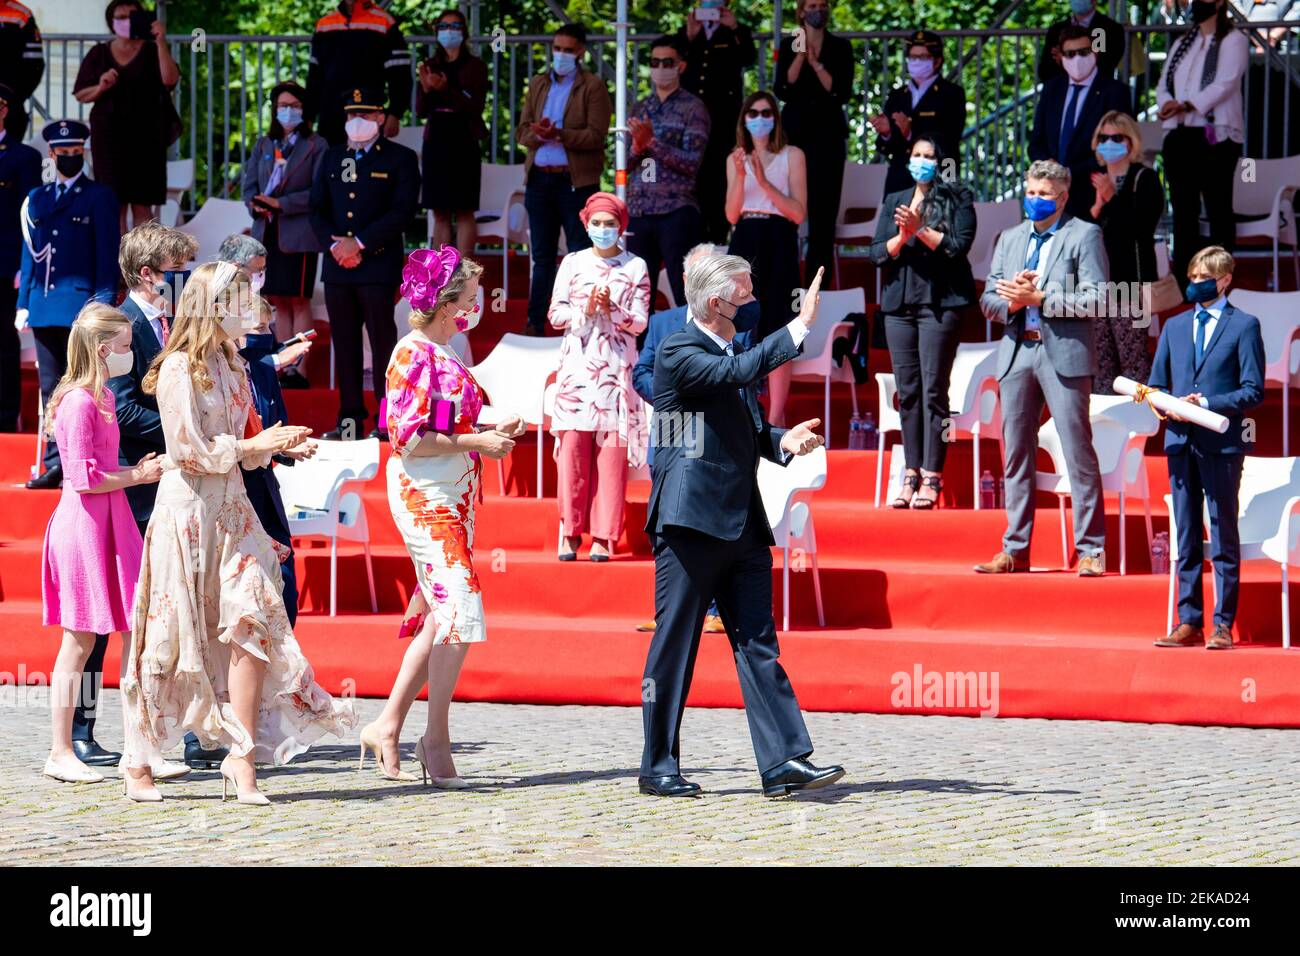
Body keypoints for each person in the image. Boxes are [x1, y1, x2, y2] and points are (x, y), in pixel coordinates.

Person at [123, 261, 354, 805]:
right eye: (241, 298)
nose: (252, 308)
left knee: (253, 622)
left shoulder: (234, 362)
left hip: (234, 512)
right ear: (214, 306)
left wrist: (276, 446)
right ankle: (139, 761)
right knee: (170, 636)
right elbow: (189, 453)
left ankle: (241, 756)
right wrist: (254, 447)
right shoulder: (178, 367)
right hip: (187, 515)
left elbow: (242, 443)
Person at [639, 253, 843, 798]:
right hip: (690, 521)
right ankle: (658, 764)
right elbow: (733, 375)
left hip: (742, 522)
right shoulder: (680, 349)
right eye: (745, 296)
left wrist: (781, 440)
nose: (753, 304)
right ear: (714, 303)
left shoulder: (730, 349)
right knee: (676, 644)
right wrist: (799, 328)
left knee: (757, 641)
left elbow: (745, 427)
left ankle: (783, 761)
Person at [360, 246, 526, 785]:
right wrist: (481, 438)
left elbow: (456, 417)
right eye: (469, 302)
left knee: (440, 614)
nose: (473, 311)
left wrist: (500, 422)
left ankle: (387, 726)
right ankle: (434, 738)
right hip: (425, 496)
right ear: (444, 302)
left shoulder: (448, 351)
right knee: (459, 608)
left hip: (453, 493)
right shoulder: (411, 354)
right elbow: (407, 437)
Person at [39, 304, 169, 793]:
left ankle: (138, 747)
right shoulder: (77, 401)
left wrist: (135, 474)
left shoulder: (103, 397)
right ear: (102, 349)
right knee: (80, 640)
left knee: (130, 632)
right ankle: (61, 749)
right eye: (125, 346)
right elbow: (81, 478)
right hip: (85, 525)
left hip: (110, 520)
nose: (130, 353)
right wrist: (138, 474)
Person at [975, 159, 1108, 577]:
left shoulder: (1084, 235)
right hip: (1017, 352)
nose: (1035, 200)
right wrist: (1014, 302)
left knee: (1077, 452)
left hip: (1065, 354)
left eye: (1044, 194)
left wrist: (1041, 298)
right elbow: (988, 300)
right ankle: (1015, 548)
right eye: (1030, 192)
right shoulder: (1010, 238)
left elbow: (1098, 298)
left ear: (1064, 196)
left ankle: (1091, 549)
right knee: (1015, 453)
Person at [100, 221, 196, 768]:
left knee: (170, 614)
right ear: (147, 274)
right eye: (174, 272)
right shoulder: (125, 324)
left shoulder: (172, 318)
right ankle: (129, 736)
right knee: (144, 615)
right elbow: (123, 407)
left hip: (169, 479)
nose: (182, 281)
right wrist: (185, 429)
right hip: (139, 481)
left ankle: (171, 731)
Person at [1149, 246, 1264, 651]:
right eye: (1193, 276)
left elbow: (1253, 390)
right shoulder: (1174, 327)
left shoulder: (1244, 326)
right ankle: (1189, 620)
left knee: (1223, 533)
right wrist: (1169, 407)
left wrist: (1208, 405)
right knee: (1185, 536)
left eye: (1204, 278)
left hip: (1221, 444)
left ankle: (1222, 625)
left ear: (1225, 279)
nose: (1195, 284)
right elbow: (1156, 384)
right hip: (1180, 443)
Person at [631, 242, 745, 635]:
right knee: (667, 518)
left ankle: (712, 610)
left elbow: (746, 375)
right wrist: (668, 392)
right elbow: (641, 372)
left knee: (705, 519)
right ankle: (667, 611)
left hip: (712, 429)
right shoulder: (662, 322)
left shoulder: (733, 321)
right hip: (670, 426)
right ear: (684, 279)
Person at [868, 135, 978, 509]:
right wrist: (901, 238)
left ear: (940, 160)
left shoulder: (957, 196)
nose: (922, 161)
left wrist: (920, 230)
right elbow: (876, 253)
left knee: (934, 390)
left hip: (941, 305)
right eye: (916, 155)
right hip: (900, 306)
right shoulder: (894, 199)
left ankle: (933, 474)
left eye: (929, 155)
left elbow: (957, 247)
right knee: (909, 391)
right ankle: (909, 473)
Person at [309, 85, 420, 441]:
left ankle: (388, 420)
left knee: (383, 341)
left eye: (365, 115)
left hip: (377, 264)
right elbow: (317, 208)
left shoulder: (400, 158)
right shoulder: (333, 156)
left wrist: (358, 243)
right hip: (338, 267)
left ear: (381, 118)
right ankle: (350, 421)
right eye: (351, 115)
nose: (356, 121)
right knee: (345, 345)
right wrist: (337, 245)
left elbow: (403, 212)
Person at [18, 120, 120, 491]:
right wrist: (23, 302)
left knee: (84, 386)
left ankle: (83, 458)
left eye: (76, 153)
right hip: (45, 305)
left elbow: (106, 255)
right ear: (52, 154)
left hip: (82, 307)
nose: (70, 159)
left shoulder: (99, 196)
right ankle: (52, 462)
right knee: (51, 387)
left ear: (84, 153)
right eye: (63, 154)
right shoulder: (39, 198)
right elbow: (30, 253)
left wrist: (104, 301)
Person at [549, 192, 651, 561]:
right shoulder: (572, 263)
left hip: (616, 370)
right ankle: (570, 530)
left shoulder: (636, 266)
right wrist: (585, 309)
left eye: (610, 223)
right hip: (577, 369)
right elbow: (555, 315)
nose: (603, 229)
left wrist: (614, 309)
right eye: (597, 223)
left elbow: (640, 322)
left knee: (611, 454)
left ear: (621, 227)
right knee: (574, 451)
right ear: (586, 223)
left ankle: (606, 535)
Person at [516, 23, 612, 336]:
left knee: (580, 253)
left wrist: (560, 134)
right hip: (539, 181)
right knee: (541, 256)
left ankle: (581, 323)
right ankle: (535, 323)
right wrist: (538, 134)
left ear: (581, 52)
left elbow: (597, 137)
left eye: (568, 49)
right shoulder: (539, 83)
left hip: (575, 182)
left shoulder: (593, 86)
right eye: (557, 48)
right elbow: (520, 132)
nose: (560, 55)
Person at [725, 90, 807, 428]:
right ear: (744, 119)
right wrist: (744, 177)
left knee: (779, 325)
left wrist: (764, 183)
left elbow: (799, 214)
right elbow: (731, 214)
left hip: (779, 237)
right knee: (738, 323)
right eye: (752, 113)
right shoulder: (734, 158)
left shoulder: (793, 155)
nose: (759, 118)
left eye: (766, 112)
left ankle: (775, 417)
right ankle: (743, 411)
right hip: (745, 236)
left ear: (775, 117)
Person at [241, 80, 327, 388]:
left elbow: (319, 192)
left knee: (299, 300)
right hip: (267, 233)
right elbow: (249, 185)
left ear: (304, 111)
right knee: (278, 299)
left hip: (299, 233)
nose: (287, 112)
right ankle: (281, 365)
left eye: (294, 106)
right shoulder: (265, 144)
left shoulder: (317, 145)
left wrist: (282, 203)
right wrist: (257, 205)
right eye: (282, 106)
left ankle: (298, 370)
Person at [1155, 0, 1247, 288]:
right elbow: (1163, 83)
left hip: (1215, 135)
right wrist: (1167, 103)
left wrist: (1188, 104)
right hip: (1181, 134)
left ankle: (1219, 279)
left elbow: (1226, 82)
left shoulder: (1234, 40)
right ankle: (1187, 281)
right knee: (1183, 211)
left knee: (1218, 208)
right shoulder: (1184, 42)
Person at [72, 1, 180, 233]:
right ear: (111, 22)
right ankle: (118, 265)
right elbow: (81, 93)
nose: (126, 20)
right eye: (120, 16)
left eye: (132, 15)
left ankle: (144, 264)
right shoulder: (99, 53)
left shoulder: (152, 50)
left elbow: (170, 79)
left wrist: (160, 41)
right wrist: (101, 86)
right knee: (114, 204)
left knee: (143, 205)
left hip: (147, 138)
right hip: (109, 139)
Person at [626, 35, 709, 311]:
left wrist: (652, 143)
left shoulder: (693, 108)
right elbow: (624, 163)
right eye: (654, 62)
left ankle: (696, 351)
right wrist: (638, 148)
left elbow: (692, 163)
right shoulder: (640, 107)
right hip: (639, 211)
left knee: (685, 291)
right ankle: (639, 353)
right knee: (637, 295)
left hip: (676, 211)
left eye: (667, 62)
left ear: (681, 66)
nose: (660, 67)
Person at [774, 0, 853, 287]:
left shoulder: (840, 47)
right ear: (801, 11)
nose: (816, 9)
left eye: (821, 5)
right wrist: (800, 55)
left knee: (822, 217)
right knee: (788, 212)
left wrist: (817, 63)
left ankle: (815, 286)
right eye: (811, 5)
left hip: (828, 139)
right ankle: (786, 282)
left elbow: (841, 92)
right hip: (794, 138)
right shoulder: (789, 44)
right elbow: (782, 88)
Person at [1089, 111, 1163, 393]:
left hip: (1131, 282)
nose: (1109, 143)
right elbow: (1079, 229)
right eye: (1103, 138)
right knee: (1101, 362)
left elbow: (1140, 228)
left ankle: (1139, 425)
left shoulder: (1145, 178)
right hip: (1095, 283)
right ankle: (1105, 428)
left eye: (1116, 137)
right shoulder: (1092, 179)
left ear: (1130, 142)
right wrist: (1096, 207)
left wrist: (1112, 199)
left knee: (1133, 360)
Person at [1028, 24, 1133, 222]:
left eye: (1084, 52)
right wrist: (1048, 166)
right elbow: (1036, 142)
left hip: (1094, 193)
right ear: (1060, 57)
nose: (1077, 59)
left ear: (1095, 52)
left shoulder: (1114, 91)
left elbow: (1119, 145)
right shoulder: (1052, 89)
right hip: (1052, 195)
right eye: (1070, 54)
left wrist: (1070, 172)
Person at [677, 0, 756, 244]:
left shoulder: (735, 32)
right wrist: (689, 36)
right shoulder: (688, 31)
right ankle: (697, 244)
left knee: (720, 184)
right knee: (695, 185)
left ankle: (720, 243)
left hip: (723, 122)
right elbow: (673, 62)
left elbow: (749, 58)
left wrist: (734, 29)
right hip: (691, 123)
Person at [416, 7, 488, 259]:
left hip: (464, 139)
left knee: (465, 209)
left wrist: (445, 89)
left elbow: (475, 106)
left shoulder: (476, 66)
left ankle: (463, 273)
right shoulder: (429, 65)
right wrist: (426, 89)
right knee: (440, 212)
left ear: (464, 32)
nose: (449, 32)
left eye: (455, 26)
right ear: (436, 32)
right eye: (444, 26)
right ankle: (441, 274)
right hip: (437, 140)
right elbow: (421, 110)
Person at [870, 30, 967, 196]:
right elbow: (885, 147)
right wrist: (887, 133)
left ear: (937, 61)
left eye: (922, 57)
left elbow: (951, 137)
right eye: (912, 57)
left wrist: (911, 133)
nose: (916, 62)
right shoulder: (898, 96)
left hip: (942, 173)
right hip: (901, 178)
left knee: (941, 219)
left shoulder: (952, 94)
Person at [306, 0, 411, 147]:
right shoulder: (324, 25)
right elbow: (314, 78)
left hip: (368, 114)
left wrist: (395, 113)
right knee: (333, 167)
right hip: (331, 117)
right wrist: (308, 116)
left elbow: (400, 74)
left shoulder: (385, 22)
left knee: (369, 166)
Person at [0, 84, 41, 433]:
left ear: (3, 110)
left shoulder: (22, 157)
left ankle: (4, 416)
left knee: (2, 340)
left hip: (4, 264)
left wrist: (22, 266)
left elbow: (28, 219)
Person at [1038, 0, 1128, 83]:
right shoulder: (1056, 30)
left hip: (1096, 95)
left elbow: (1105, 67)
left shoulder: (1111, 29)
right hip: (1061, 94)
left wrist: (1064, 61)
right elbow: (1045, 71)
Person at [0, 0, 44, 141]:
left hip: (9, 108)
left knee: (9, 160)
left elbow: (34, 65)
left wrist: (12, 99)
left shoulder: (21, 15)